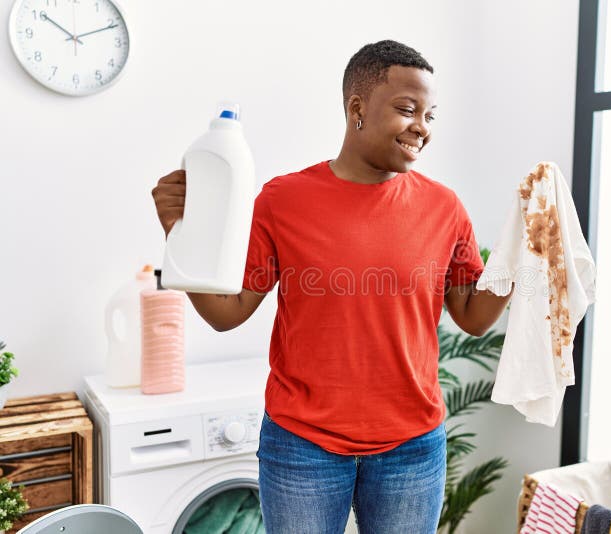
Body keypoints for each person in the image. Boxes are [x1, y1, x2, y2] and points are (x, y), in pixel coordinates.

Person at [151, 39, 512, 534]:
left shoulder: (444, 207)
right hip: (303, 447)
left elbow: (473, 317)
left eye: (430, 115)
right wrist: (180, 232)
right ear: (357, 108)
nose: (421, 128)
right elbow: (225, 313)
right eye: (407, 110)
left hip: (412, 448)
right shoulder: (283, 200)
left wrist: (523, 254)